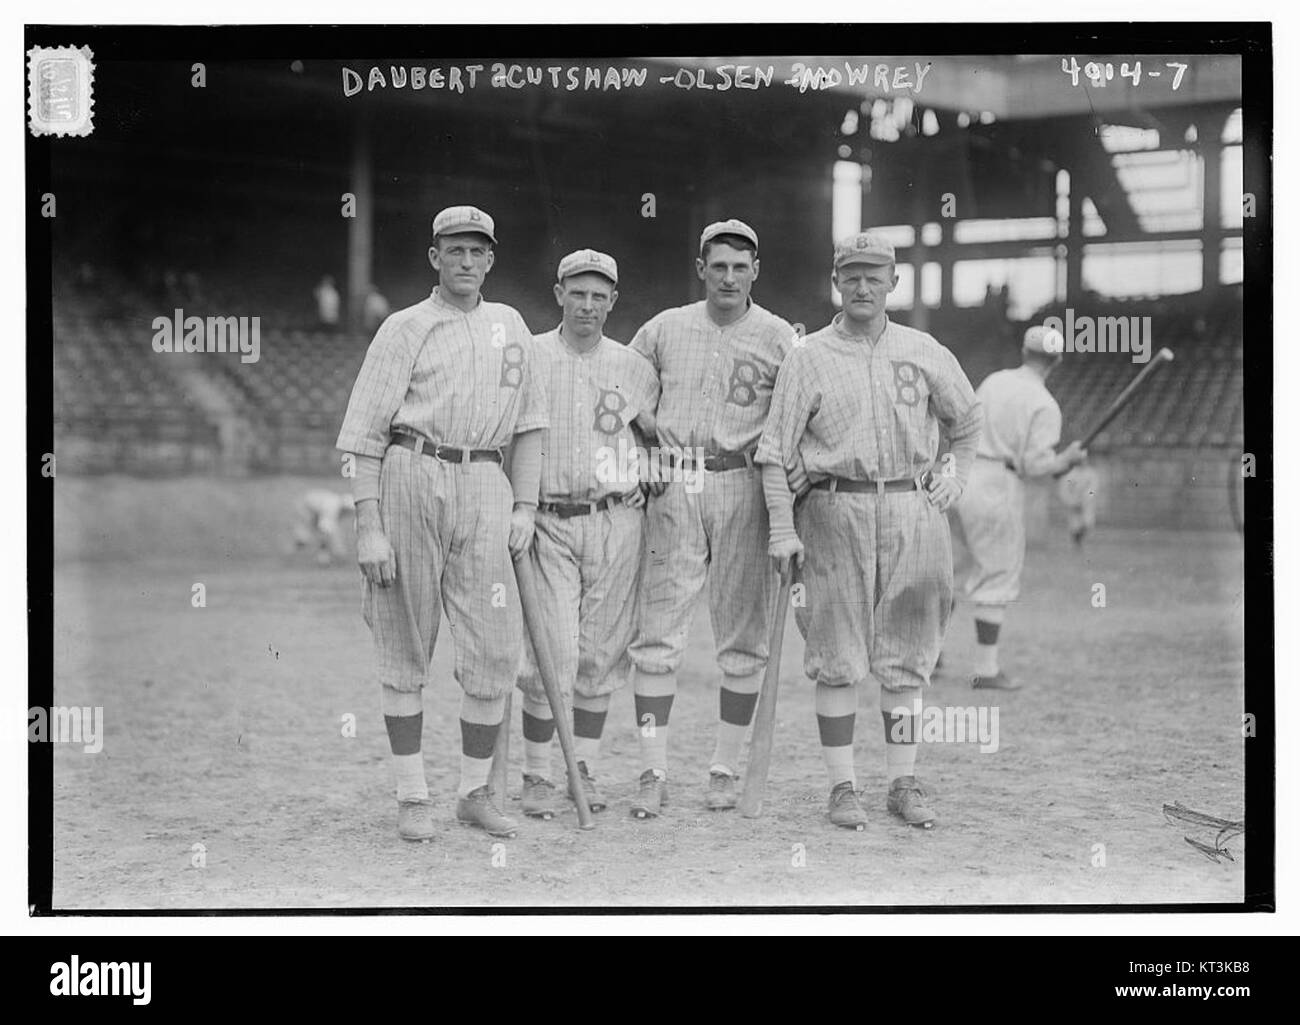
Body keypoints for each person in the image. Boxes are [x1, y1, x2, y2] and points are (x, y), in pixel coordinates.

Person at [335, 205, 548, 842]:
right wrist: (368, 524)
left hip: (486, 478)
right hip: (411, 471)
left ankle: (473, 793)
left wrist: (527, 504)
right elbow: (363, 434)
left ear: (491, 259)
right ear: (435, 256)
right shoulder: (405, 326)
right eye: (454, 250)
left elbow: (532, 424)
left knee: (493, 646)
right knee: (404, 640)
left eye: (477, 251)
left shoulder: (511, 325)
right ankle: (411, 795)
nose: (465, 261)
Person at [757, 230, 982, 830]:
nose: (863, 286)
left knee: (907, 655)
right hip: (834, 512)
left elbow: (967, 423)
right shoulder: (808, 355)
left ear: (893, 282)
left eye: (874, 275)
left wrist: (953, 478)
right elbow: (774, 452)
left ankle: (902, 782)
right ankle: (843, 786)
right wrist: (782, 529)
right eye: (852, 275)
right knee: (835, 655)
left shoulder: (925, 349)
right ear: (838, 281)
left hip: (915, 511)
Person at [625, 218, 796, 818]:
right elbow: (618, 391)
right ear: (701, 269)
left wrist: (785, 513)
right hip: (677, 482)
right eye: (717, 265)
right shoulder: (664, 328)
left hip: (744, 482)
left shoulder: (780, 338)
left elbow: (797, 422)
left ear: (756, 271)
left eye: (739, 266)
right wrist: (643, 445)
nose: (728, 276)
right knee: (656, 637)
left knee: (743, 640)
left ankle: (724, 767)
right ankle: (652, 769)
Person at [514, 249, 659, 819]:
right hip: (549, 518)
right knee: (551, 651)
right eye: (578, 293)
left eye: (600, 296)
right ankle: (537, 774)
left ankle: (584, 768)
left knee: (601, 655)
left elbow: (657, 437)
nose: (588, 305)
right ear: (559, 294)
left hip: (618, 519)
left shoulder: (634, 368)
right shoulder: (527, 355)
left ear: (613, 302)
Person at [948, 325, 1087, 691]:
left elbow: (965, 422)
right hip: (997, 483)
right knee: (996, 571)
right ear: (1056, 360)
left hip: (959, 473)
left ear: (1025, 352)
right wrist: (1067, 459)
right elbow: (1036, 466)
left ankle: (928, 658)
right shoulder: (1044, 404)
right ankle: (986, 670)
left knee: (949, 568)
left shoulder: (994, 381)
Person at [290, 488, 355, 565]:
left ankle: (323, 557)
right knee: (305, 538)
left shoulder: (337, 507)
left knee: (324, 534)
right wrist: (338, 551)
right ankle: (292, 555)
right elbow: (325, 530)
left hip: (313, 508)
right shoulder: (332, 507)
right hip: (305, 507)